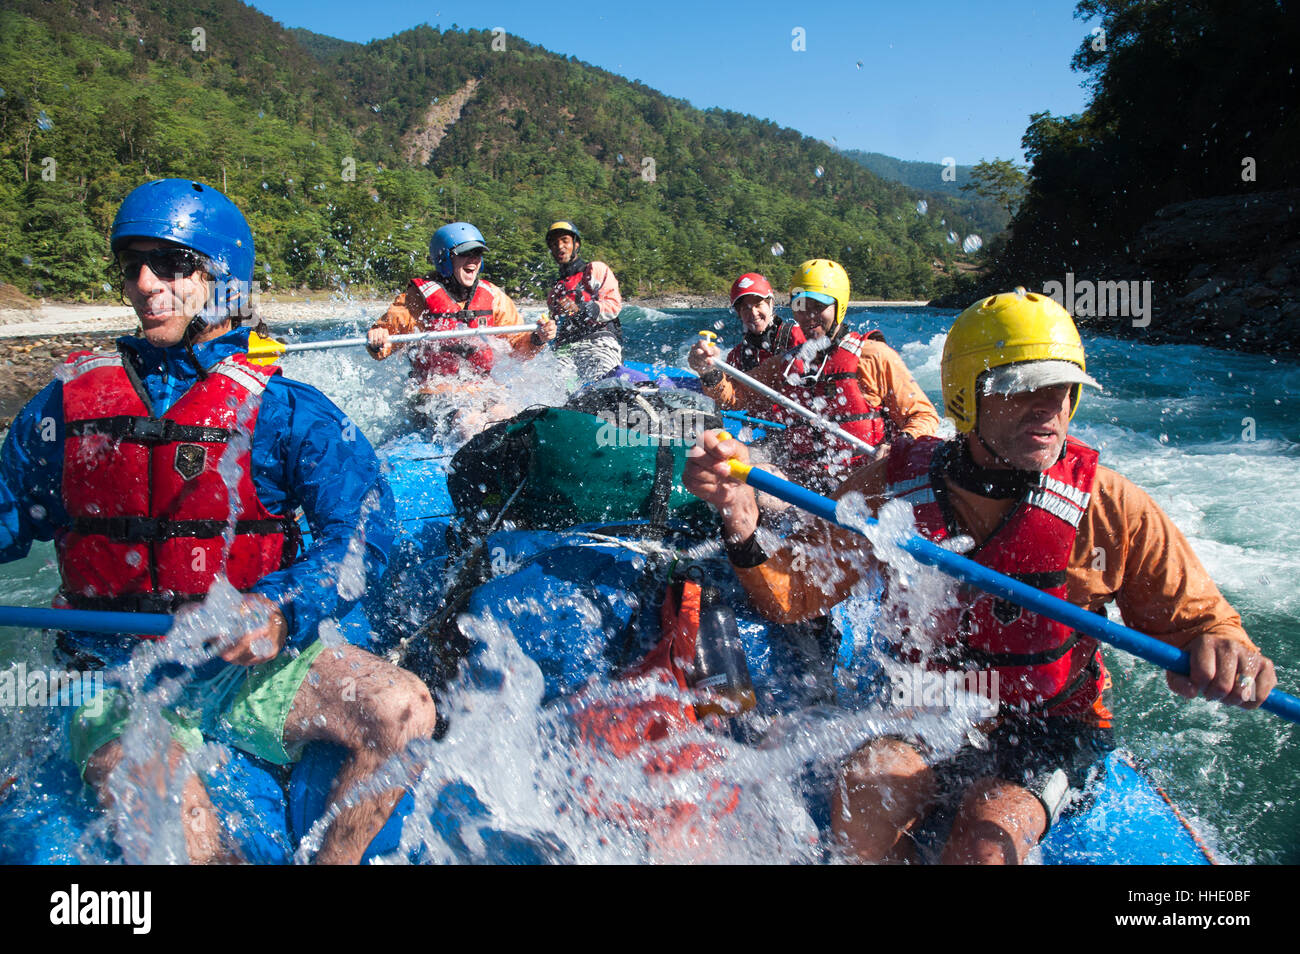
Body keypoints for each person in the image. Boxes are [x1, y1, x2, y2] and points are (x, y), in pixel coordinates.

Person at [683, 289, 1277, 864]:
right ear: (966, 395)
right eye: (1022, 389)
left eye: (1064, 387)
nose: (1051, 406)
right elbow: (792, 596)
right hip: (927, 710)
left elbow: (1203, 623)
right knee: (863, 795)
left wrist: (1226, 650)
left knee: (986, 846)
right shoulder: (889, 485)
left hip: (1050, 727)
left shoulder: (1107, 503)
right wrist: (740, 516)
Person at [0, 179, 437, 865]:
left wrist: (281, 607)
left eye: (172, 265)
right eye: (133, 266)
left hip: (237, 672)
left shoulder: (286, 409)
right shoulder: (62, 409)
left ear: (223, 281)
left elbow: (362, 532)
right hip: (110, 673)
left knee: (404, 708)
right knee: (188, 823)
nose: (146, 285)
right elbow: (7, 519)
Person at [689, 259, 939, 491]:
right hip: (804, 479)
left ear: (839, 306)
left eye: (818, 306)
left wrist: (900, 445)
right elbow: (734, 396)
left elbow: (924, 415)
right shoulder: (786, 363)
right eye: (800, 305)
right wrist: (707, 371)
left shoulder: (873, 356)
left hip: (864, 483)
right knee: (740, 484)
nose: (808, 315)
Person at [367, 221, 544, 408]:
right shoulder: (417, 300)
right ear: (444, 259)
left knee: (505, 415)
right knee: (469, 422)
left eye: (477, 254)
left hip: (481, 389)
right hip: (435, 393)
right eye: (464, 254)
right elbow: (383, 345)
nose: (473, 261)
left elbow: (519, 349)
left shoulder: (494, 298)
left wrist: (537, 339)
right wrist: (378, 339)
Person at [534, 220, 623, 384]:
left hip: (598, 342)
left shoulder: (595, 269)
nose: (559, 246)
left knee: (602, 386)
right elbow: (553, 326)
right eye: (554, 244)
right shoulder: (555, 289)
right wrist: (541, 334)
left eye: (565, 241)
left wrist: (583, 308)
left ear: (576, 245)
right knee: (554, 389)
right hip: (566, 349)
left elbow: (613, 305)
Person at [705, 272, 806, 373]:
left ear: (771, 304)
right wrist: (709, 372)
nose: (753, 313)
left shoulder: (796, 336)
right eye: (746, 308)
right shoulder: (736, 356)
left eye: (758, 305)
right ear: (739, 313)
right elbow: (727, 386)